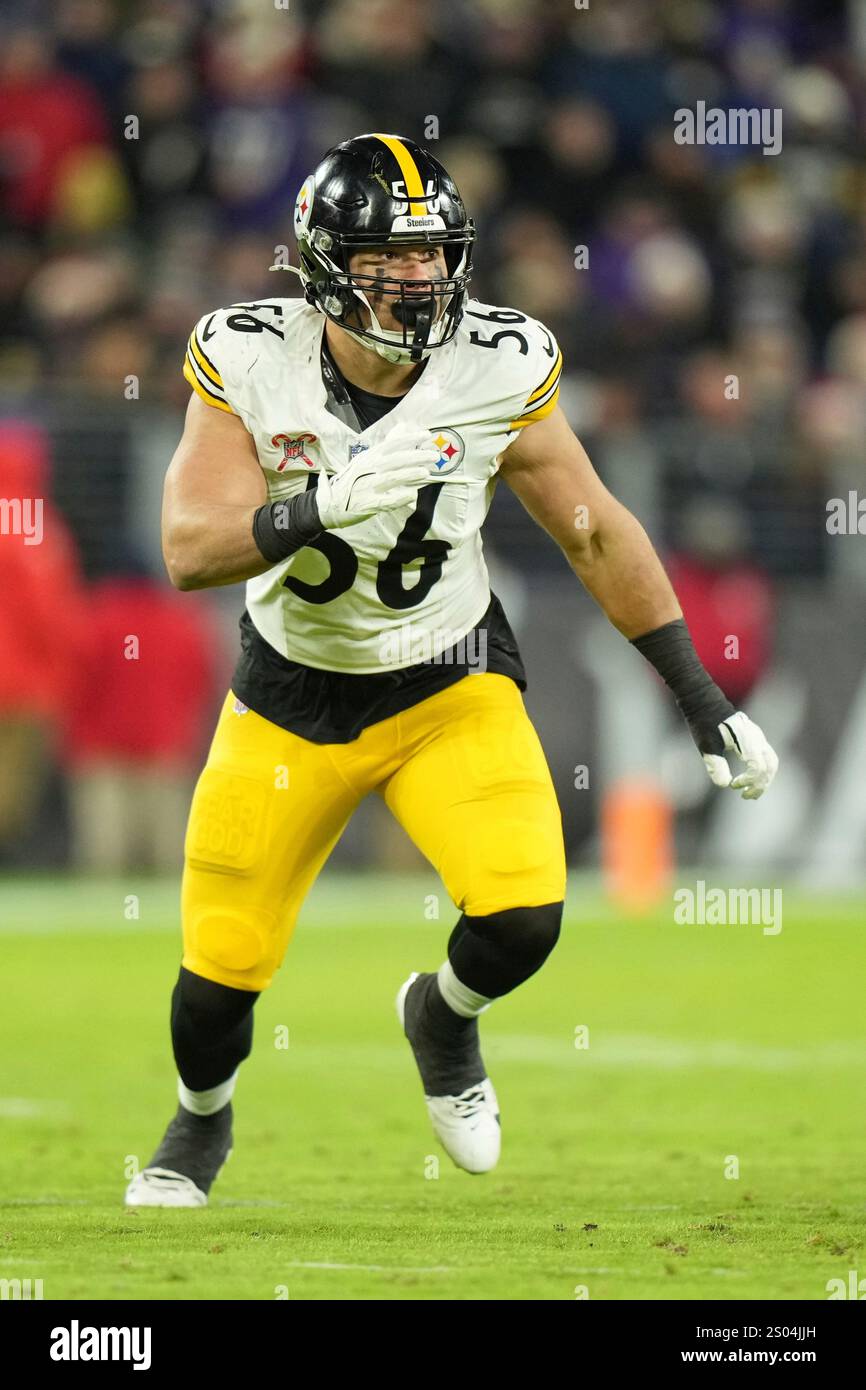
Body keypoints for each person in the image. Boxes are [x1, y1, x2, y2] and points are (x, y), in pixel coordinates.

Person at [125, 134, 778, 1207]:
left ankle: (439, 1015)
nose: (420, 279)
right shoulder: (249, 353)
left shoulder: (497, 360)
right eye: (391, 258)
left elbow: (593, 530)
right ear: (327, 262)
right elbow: (190, 547)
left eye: (434, 256)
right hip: (290, 691)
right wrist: (323, 503)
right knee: (217, 979)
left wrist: (699, 699)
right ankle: (200, 1123)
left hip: (446, 674)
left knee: (523, 913)